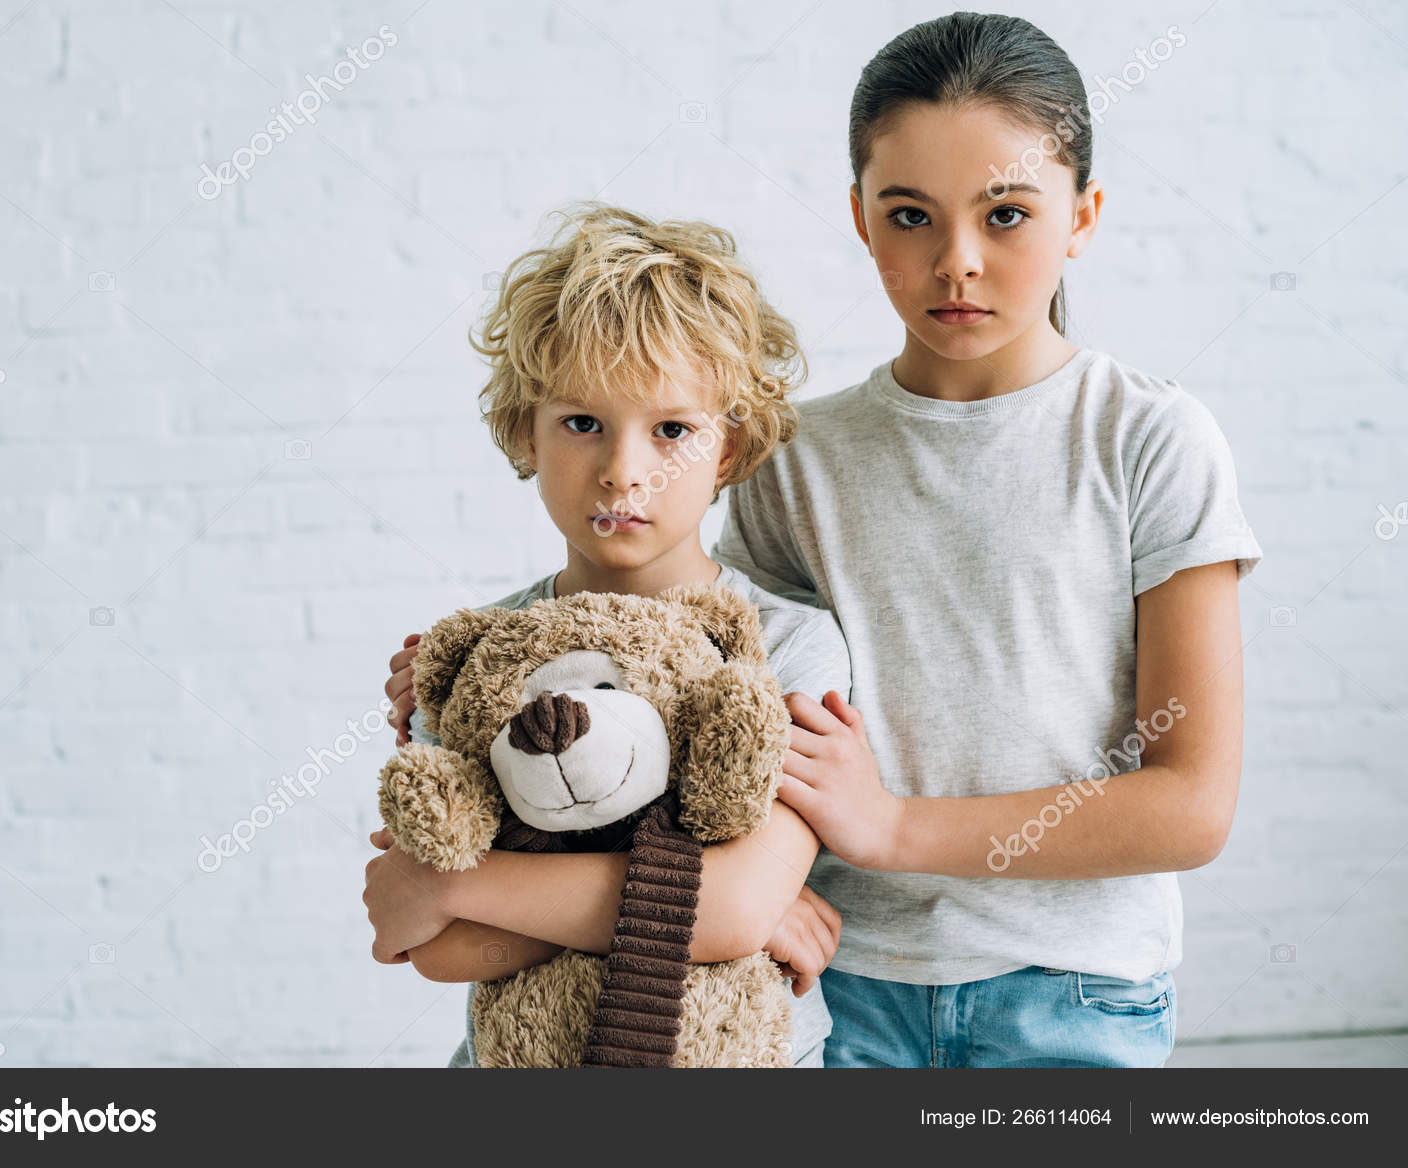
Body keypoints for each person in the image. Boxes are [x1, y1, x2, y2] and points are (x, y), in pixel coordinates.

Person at [707, 12, 1263, 1067]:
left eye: (1005, 213)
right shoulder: (791, 460)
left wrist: (897, 828)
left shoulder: (1149, 441)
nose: (955, 261)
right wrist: (739, 902)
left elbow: (1191, 801)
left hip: (1073, 998)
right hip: (833, 989)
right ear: (862, 221)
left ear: (1082, 216)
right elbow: (720, 719)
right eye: (909, 215)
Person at [364, 202, 852, 1067]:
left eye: (672, 428)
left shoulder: (789, 644)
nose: (625, 469)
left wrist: (457, 884)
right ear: (526, 430)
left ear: (729, 449)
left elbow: (736, 909)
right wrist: (698, 916)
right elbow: (436, 949)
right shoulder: (481, 656)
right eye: (582, 422)